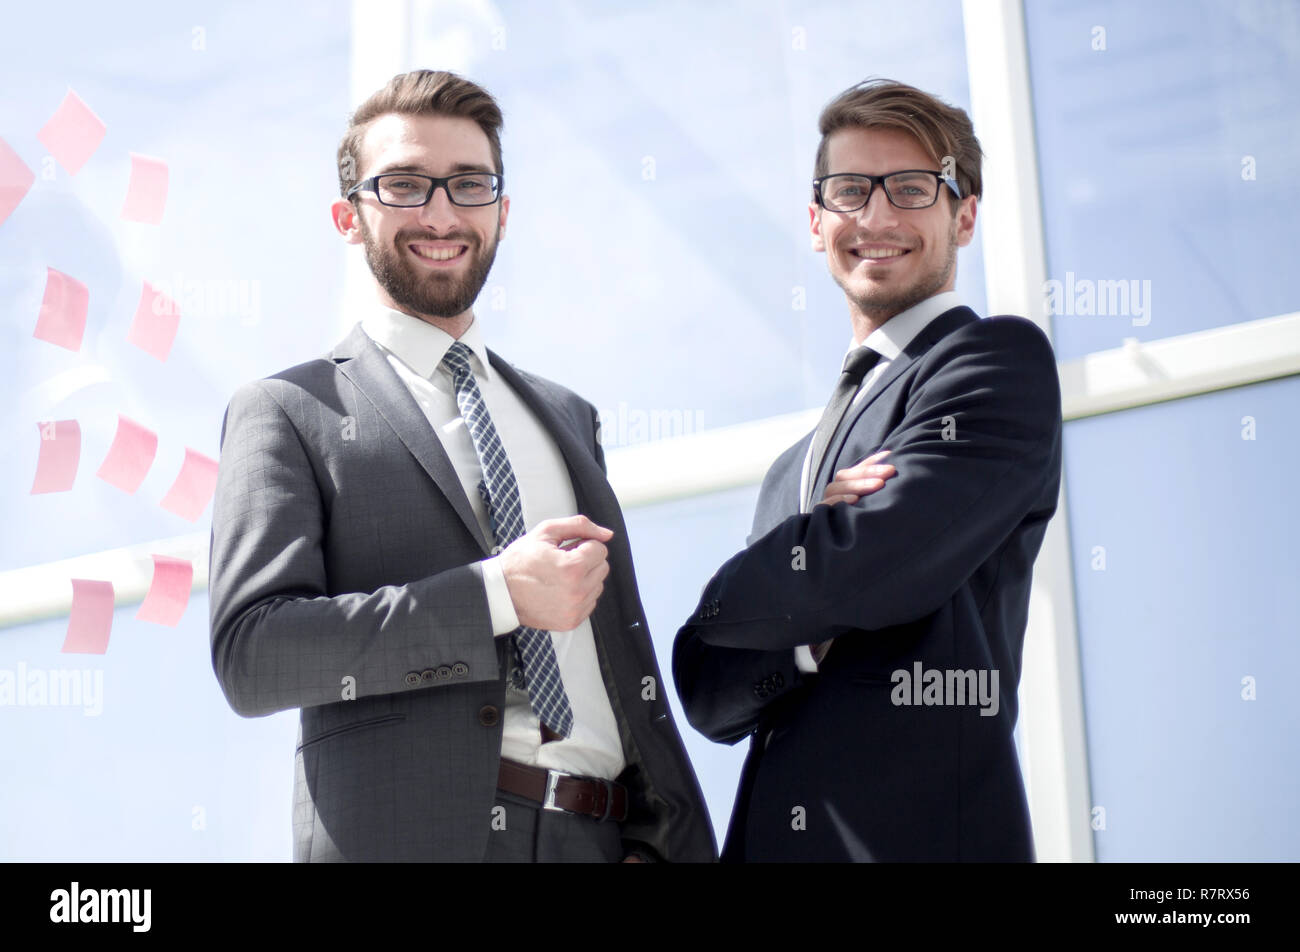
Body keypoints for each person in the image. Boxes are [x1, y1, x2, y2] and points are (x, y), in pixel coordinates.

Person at [208, 69, 715, 863]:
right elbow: (254, 656)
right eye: (405, 185)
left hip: (599, 836)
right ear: (349, 217)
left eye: (468, 185)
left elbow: (616, 660)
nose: (441, 213)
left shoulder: (568, 416)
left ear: (502, 213)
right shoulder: (287, 409)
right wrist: (494, 597)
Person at [672, 79, 1062, 862]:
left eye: (913, 189)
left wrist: (779, 575)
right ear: (817, 223)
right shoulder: (792, 472)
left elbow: (884, 567)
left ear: (964, 215)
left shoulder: (991, 363)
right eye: (851, 191)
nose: (878, 218)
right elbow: (709, 688)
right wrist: (815, 545)